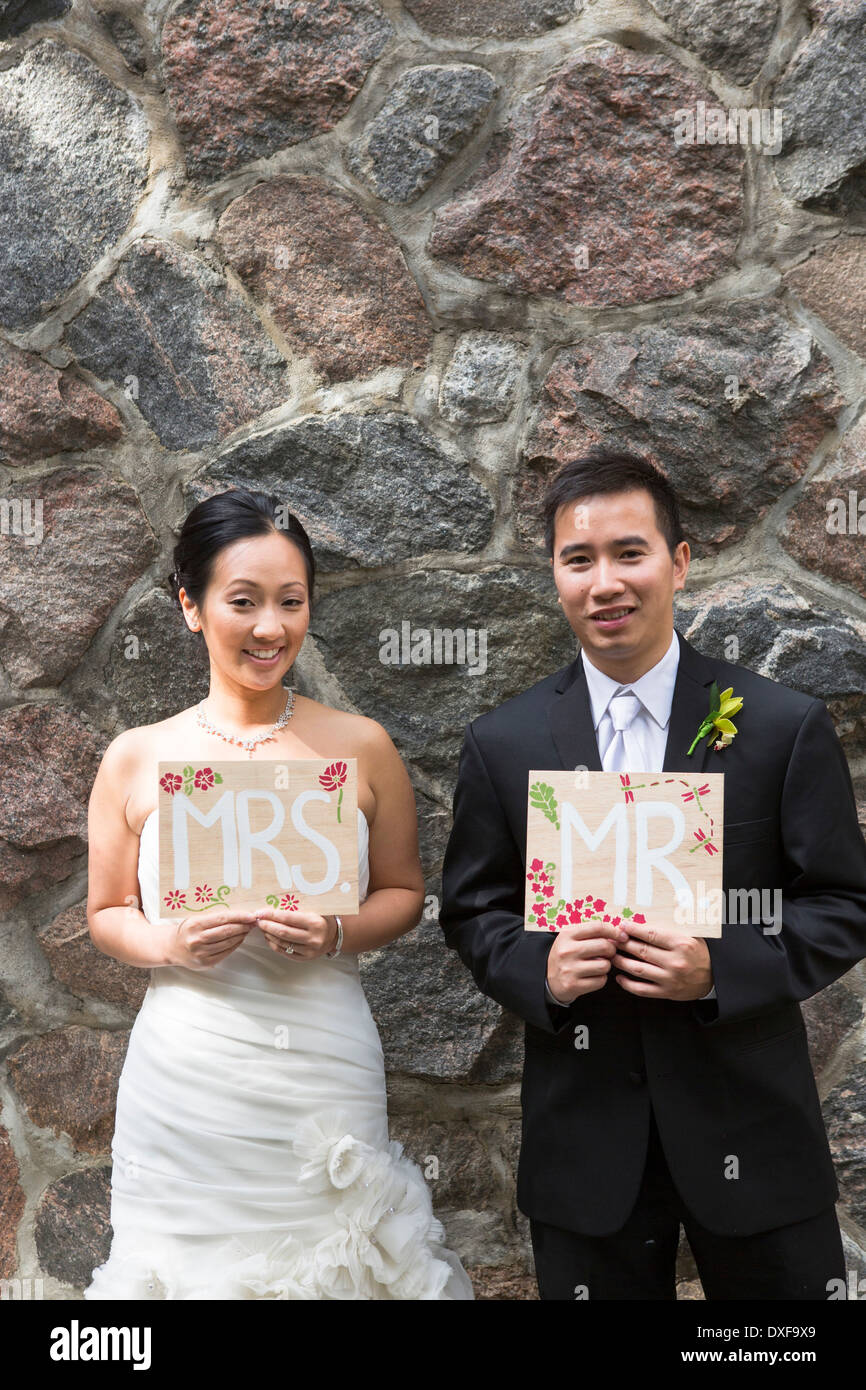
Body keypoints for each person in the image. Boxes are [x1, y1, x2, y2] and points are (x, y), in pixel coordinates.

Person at [439, 445, 866, 1300]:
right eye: (578, 559)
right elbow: (473, 909)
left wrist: (722, 966)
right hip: (586, 1145)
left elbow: (844, 903)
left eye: (629, 553)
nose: (606, 582)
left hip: (752, 1126)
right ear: (555, 576)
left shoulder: (781, 727)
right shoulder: (505, 742)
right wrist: (542, 970)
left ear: (676, 563)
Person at [84, 487, 473, 1300]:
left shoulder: (360, 746)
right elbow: (106, 912)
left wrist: (336, 933)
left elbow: (402, 892)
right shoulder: (137, 755)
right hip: (188, 1076)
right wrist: (168, 943)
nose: (271, 627)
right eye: (244, 601)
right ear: (191, 607)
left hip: (322, 1068)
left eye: (291, 602)